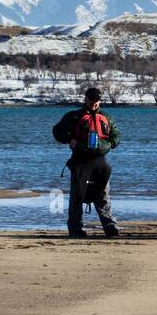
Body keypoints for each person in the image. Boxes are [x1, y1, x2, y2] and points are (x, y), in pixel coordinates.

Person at [52, 87, 121, 239]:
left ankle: (110, 227)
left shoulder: (106, 117)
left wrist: (109, 144)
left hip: (100, 162)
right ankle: (75, 229)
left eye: (97, 101)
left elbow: (116, 136)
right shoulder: (74, 116)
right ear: (86, 99)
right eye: (91, 100)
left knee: (103, 194)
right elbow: (57, 131)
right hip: (80, 161)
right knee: (77, 196)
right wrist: (70, 140)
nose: (94, 104)